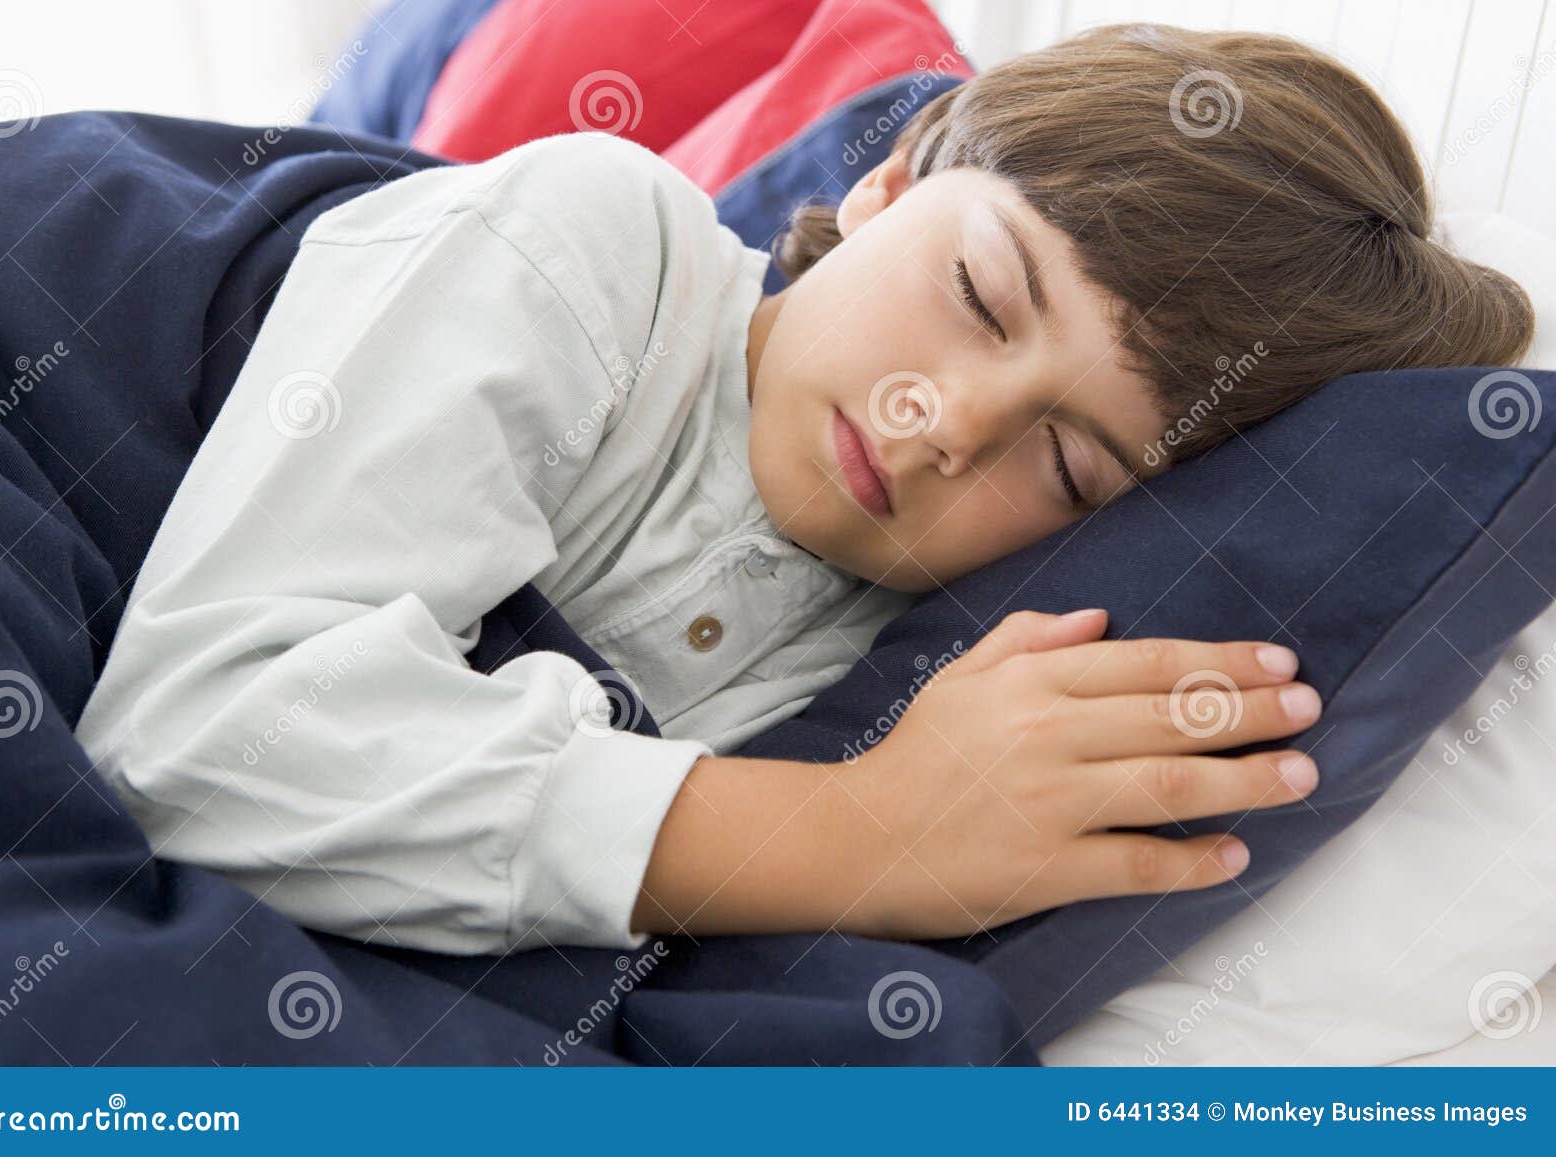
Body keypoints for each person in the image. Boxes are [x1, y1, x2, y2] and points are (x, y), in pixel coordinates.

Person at [76, 24, 1533, 956]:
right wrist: (853, 835)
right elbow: (200, 733)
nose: (944, 424)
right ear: (893, 184)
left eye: (1070, 461)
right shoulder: (601, 244)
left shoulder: (887, 664)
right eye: (978, 292)